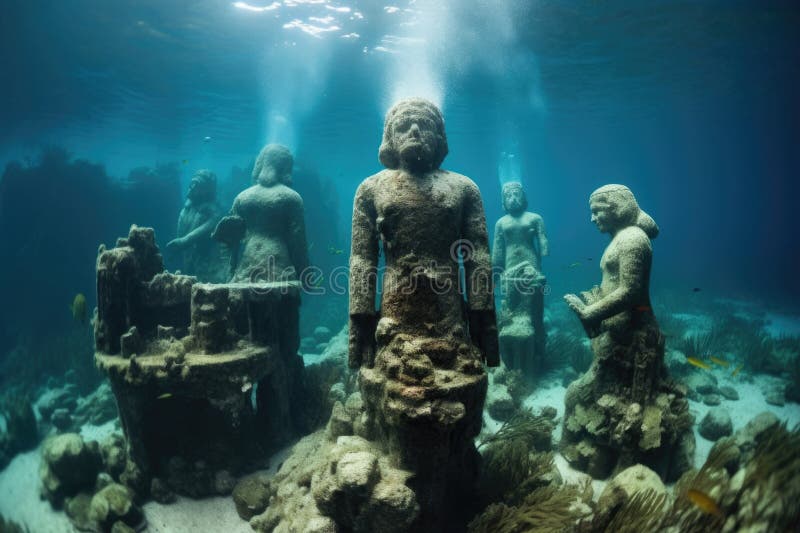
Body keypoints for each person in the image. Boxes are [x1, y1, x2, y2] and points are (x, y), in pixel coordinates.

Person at [348, 97, 499, 370]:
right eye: (404, 125)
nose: (415, 131)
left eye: (424, 124)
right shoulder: (371, 189)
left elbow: (478, 256)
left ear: (439, 136)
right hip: (395, 317)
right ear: (390, 137)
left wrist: (482, 318)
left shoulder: (463, 188)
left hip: (449, 316)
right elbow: (362, 259)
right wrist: (360, 323)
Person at [213, 144, 309, 283]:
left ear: (261, 162)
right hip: (279, 265)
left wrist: (231, 271)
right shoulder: (292, 198)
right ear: (285, 166)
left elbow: (231, 237)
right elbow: (298, 241)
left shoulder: (242, 197)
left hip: (247, 263)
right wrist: (304, 273)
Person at [492, 181, 549, 374]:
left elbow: (543, 243)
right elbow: (498, 251)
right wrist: (495, 273)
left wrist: (542, 256)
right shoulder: (501, 223)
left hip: (530, 264)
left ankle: (539, 350)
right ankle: (513, 359)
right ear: (503, 200)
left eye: (516, 194)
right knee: (511, 306)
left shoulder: (534, 218)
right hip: (509, 268)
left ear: (523, 197)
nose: (512, 198)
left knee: (535, 307)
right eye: (508, 196)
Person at [167, 169, 226, 282]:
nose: (192, 187)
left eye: (197, 185)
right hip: (188, 257)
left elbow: (207, 227)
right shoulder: (188, 208)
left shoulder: (213, 211)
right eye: (192, 183)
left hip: (206, 261)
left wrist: (184, 241)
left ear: (206, 190)